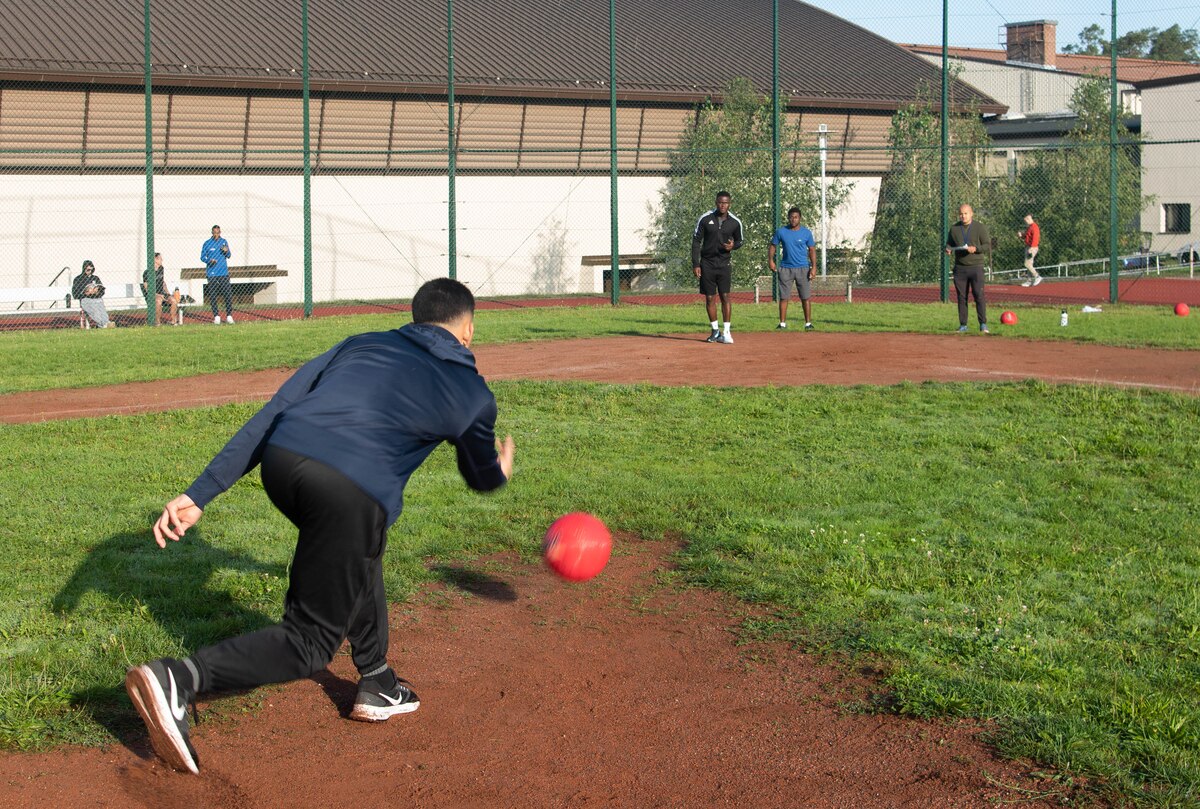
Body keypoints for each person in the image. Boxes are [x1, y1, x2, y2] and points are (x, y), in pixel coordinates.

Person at [124, 278, 516, 775]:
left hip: (283, 466)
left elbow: (276, 410)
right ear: (468, 331)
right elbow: (479, 475)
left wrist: (202, 492)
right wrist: (498, 470)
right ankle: (180, 678)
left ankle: (376, 677)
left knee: (360, 549)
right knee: (309, 643)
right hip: (347, 491)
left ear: (415, 318)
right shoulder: (472, 391)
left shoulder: (362, 343)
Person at [692, 191, 743, 344]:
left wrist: (733, 246)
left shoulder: (735, 222)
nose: (723, 205)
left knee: (725, 297)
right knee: (709, 298)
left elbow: (740, 241)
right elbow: (696, 242)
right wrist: (696, 263)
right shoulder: (705, 219)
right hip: (707, 263)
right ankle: (715, 331)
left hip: (724, 264)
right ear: (716, 202)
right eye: (720, 202)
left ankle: (726, 332)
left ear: (730, 204)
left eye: (726, 203)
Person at [768, 207, 818, 330]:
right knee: (784, 297)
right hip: (785, 268)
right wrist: (771, 261)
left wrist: (814, 267)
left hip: (803, 268)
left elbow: (812, 250)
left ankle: (808, 323)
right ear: (788, 218)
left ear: (800, 218)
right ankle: (782, 324)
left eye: (796, 217)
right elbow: (773, 246)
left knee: (805, 297)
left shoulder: (806, 233)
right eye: (791, 217)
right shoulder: (781, 232)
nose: (793, 219)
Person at [945, 203, 991, 333]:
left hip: (976, 267)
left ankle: (983, 324)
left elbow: (987, 245)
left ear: (971, 214)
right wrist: (948, 249)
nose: (963, 216)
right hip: (960, 268)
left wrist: (976, 249)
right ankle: (963, 325)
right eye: (961, 214)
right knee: (961, 297)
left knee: (979, 295)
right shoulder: (954, 229)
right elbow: (949, 243)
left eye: (965, 213)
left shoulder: (979, 227)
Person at [201, 225, 234, 324]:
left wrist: (226, 251)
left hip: (223, 272)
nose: (216, 234)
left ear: (220, 232)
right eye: (214, 232)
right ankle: (216, 316)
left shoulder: (223, 242)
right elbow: (202, 257)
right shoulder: (207, 243)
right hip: (212, 273)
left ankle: (229, 315)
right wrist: (209, 261)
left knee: (227, 294)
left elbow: (229, 255)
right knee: (213, 295)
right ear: (212, 233)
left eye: (218, 232)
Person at [141, 253, 180, 326]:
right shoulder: (147, 272)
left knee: (174, 300)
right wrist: (157, 295)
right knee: (158, 300)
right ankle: (157, 322)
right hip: (153, 294)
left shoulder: (161, 268)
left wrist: (168, 293)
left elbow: (162, 282)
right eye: (160, 258)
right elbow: (146, 288)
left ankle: (173, 321)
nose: (162, 260)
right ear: (155, 260)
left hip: (162, 293)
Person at [71, 260, 112, 329]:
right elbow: (75, 294)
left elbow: (102, 291)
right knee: (94, 310)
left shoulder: (95, 278)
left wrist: (97, 292)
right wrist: (86, 293)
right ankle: (103, 324)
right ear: (84, 269)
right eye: (87, 269)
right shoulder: (78, 279)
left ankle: (106, 322)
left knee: (101, 308)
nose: (89, 271)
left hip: (96, 298)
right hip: (85, 299)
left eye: (90, 269)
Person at [1019, 214, 1043, 287]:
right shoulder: (1030, 227)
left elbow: (1035, 238)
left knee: (1027, 264)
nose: (1025, 222)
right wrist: (1021, 236)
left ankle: (1037, 276)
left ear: (1029, 219)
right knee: (1029, 264)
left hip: (1032, 247)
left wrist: (1031, 248)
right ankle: (1029, 281)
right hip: (1028, 246)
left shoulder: (1034, 227)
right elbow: (1027, 237)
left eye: (1026, 220)